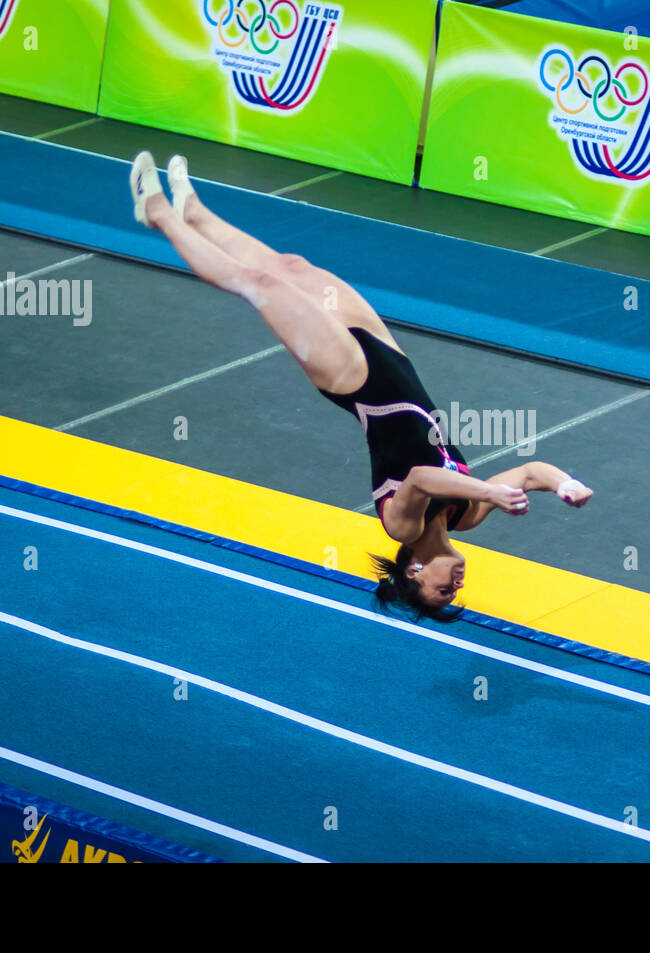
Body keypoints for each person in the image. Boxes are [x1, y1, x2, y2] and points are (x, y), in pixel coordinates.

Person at [129, 152, 593, 619]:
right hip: (393, 363)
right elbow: (531, 473)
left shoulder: (401, 526)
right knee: (291, 266)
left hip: (354, 381)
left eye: (442, 593)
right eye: (453, 594)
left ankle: (161, 215)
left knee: (262, 284)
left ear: (414, 572)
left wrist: (489, 492)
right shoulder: (467, 514)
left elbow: (420, 477)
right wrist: (564, 485)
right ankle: (197, 215)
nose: (455, 586)